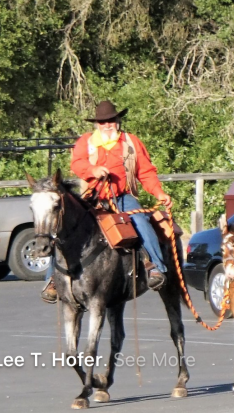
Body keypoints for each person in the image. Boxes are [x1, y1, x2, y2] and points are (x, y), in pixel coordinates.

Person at [41, 100, 172, 303]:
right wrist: (93, 170)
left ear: (117, 121)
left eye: (110, 120)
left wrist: (159, 193)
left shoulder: (131, 142)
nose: (107, 125)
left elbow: (145, 172)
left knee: (142, 222)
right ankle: (52, 279)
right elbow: (77, 163)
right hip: (91, 198)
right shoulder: (86, 141)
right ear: (96, 124)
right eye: (102, 122)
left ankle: (154, 267)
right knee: (62, 229)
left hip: (121, 197)